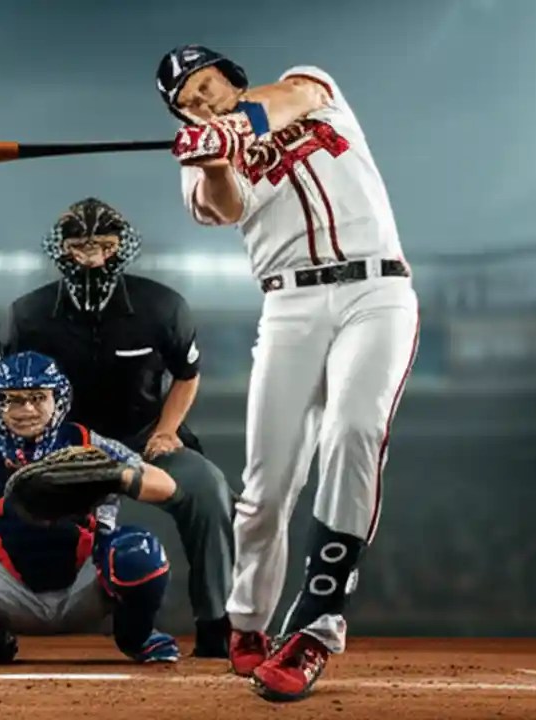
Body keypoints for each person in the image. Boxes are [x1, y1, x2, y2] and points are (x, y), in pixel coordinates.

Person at [155, 45, 421, 701]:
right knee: (267, 488)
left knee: (353, 433)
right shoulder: (198, 155)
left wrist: (237, 121)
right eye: (185, 104)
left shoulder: (308, 82)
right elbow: (225, 207)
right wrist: (216, 160)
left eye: (205, 86)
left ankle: (315, 628)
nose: (200, 102)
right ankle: (248, 621)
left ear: (231, 76)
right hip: (289, 303)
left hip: (375, 290)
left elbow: (293, 100)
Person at [0, 197, 236, 657]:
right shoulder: (26, 315)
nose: (91, 256)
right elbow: (2, 391)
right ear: (61, 249)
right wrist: (33, 446)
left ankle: (216, 625)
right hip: (64, 445)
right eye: (80, 246)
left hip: (143, 437)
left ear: (121, 248)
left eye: (102, 245)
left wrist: (167, 431)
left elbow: (187, 375)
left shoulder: (163, 306)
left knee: (210, 491)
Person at [0, 350, 181, 664]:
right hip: (11, 591)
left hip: (85, 585)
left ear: (58, 400)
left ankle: (137, 636)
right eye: (12, 399)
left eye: (38, 397)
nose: (26, 409)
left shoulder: (90, 445)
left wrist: (114, 475)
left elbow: (166, 486)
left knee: (139, 552)